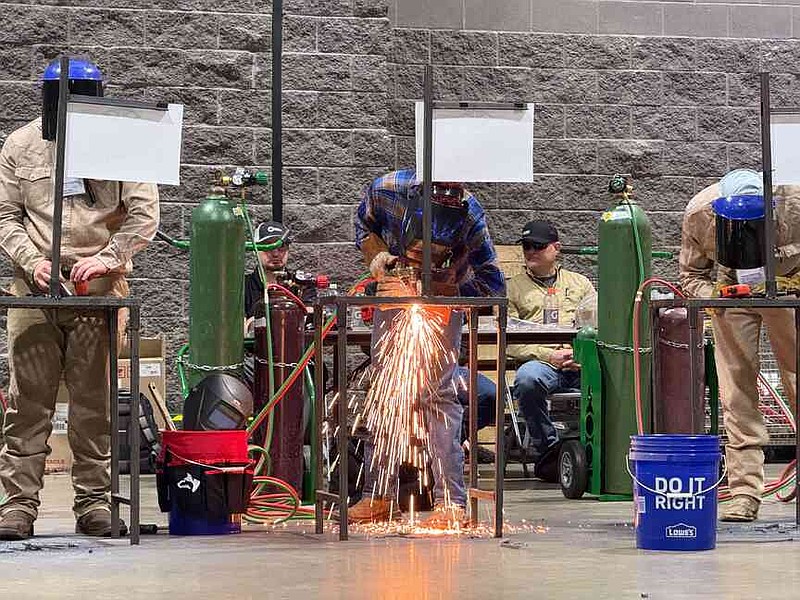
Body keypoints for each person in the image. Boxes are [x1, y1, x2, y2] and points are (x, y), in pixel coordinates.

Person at [0, 58, 159, 539]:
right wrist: (34, 261)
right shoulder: (22, 145)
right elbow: (5, 216)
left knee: (94, 406)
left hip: (98, 293)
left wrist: (109, 258)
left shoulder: (122, 144)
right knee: (28, 404)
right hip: (34, 292)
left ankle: (94, 503)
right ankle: (17, 507)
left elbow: (144, 216)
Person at [352, 169, 504, 526]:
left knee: (438, 399)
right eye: (420, 248)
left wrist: (447, 288)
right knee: (387, 397)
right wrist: (376, 256)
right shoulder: (387, 190)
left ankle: (451, 503)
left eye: (435, 252)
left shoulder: (471, 215)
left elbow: (493, 285)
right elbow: (364, 226)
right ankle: (377, 496)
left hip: (441, 308)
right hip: (393, 297)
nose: (425, 256)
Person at [680, 169, 799, 522]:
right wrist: (715, 296)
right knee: (736, 393)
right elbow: (691, 276)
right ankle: (745, 493)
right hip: (731, 293)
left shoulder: (795, 206)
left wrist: (791, 286)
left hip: (788, 291)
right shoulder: (700, 214)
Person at [506, 220, 595, 482]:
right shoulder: (513, 287)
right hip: (541, 363)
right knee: (527, 379)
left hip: (579, 360)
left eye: (537, 246)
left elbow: (598, 325)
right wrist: (548, 356)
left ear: (556, 248)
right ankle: (549, 451)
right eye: (526, 247)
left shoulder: (580, 284)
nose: (530, 251)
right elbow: (509, 340)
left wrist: (581, 356)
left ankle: (595, 446)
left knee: (612, 379)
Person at [244, 220, 292, 322]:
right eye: (268, 246)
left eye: (281, 247)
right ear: (255, 250)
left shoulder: (302, 286)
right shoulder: (242, 288)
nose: (275, 254)